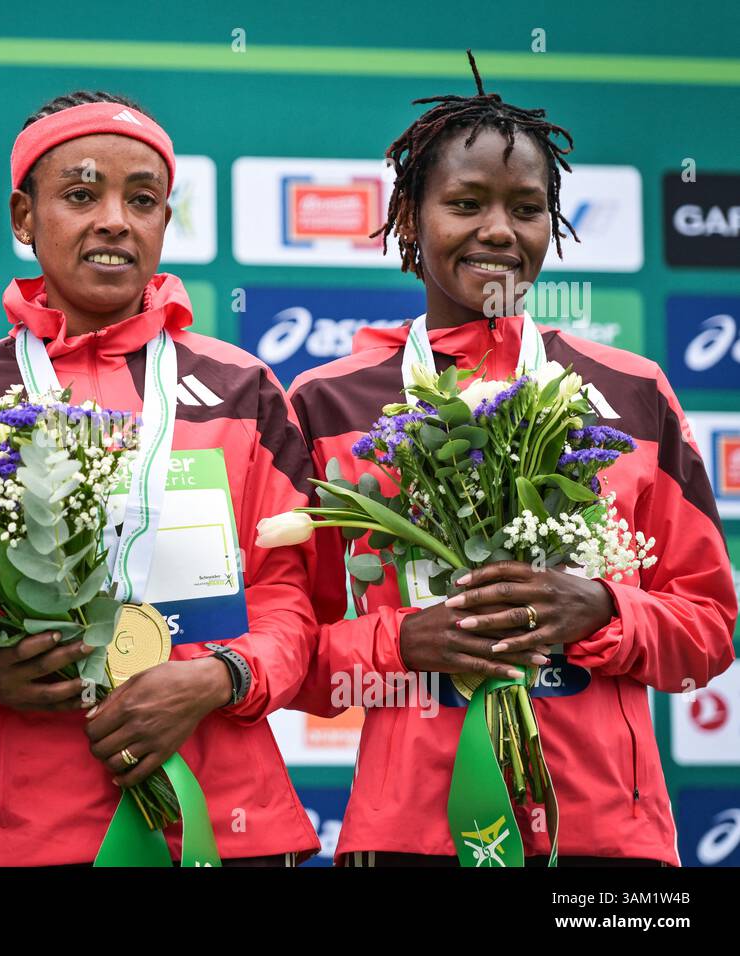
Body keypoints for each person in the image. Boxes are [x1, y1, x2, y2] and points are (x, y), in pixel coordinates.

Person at [287, 55, 737, 866]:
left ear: (552, 227)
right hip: (411, 836)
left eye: (526, 209)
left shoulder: (633, 392)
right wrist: (401, 643)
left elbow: (708, 628)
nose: (498, 231)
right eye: (465, 204)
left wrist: (603, 611)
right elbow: (293, 654)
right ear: (408, 218)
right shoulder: (331, 404)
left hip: (607, 837)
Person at [0, 90, 319, 866]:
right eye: (81, 195)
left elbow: (289, 600)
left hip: (231, 828)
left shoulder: (244, 387)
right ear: (24, 218)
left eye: (143, 199)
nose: (116, 219)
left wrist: (219, 677)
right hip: (34, 838)